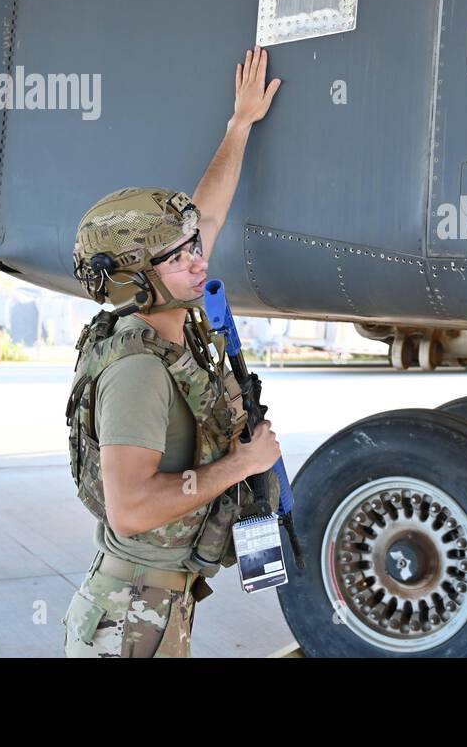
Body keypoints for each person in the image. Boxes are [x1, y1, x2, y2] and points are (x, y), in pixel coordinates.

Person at [62, 47, 283, 657]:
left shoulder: (169, 319)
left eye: (194, 245)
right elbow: (130, 509)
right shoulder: (137, 371)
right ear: (140, 276)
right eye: (180, 254)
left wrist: (239, 124)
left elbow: (206, 209)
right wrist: (243, 464)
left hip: (156, 605)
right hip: (128, 620)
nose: (199, 257)